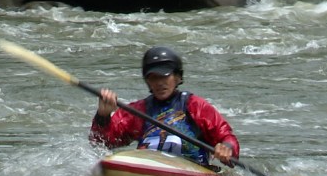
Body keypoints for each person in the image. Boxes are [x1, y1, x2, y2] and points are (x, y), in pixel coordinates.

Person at [90, 46, 240, 168]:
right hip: (149, 168)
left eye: (165, 76)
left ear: (177, 77)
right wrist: (102, 116)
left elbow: (226, 136)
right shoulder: (137, 111)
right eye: (153, 77)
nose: (159, 82)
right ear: (147, 81)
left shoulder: (195, 106)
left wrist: (226, 148)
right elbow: (101, 143)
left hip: (193, 169)